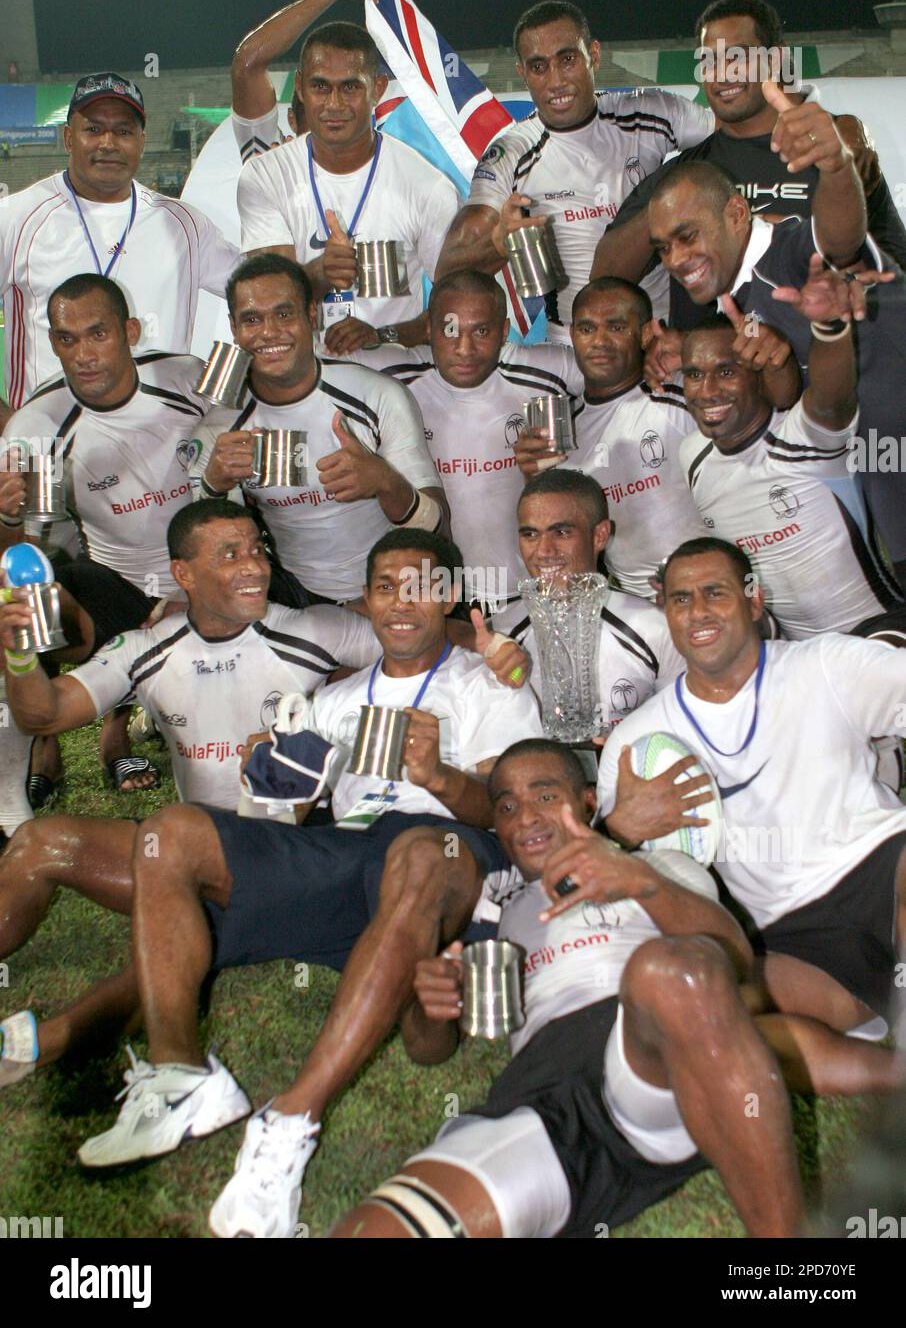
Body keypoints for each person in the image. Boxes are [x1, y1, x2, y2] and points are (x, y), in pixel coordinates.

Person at [68, 530, 541, 1234]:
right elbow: (289, 818)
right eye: (386, 586)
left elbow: (514, 823)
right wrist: (271, 779)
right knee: (173, 831)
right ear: (367, 599)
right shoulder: (334, 699)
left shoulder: (491, 689)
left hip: (448, 856)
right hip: (347, 856)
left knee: (416, 849)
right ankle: (180, 1076)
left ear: (447, 595)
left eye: (420, 586)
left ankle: (289, 1123)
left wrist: (439, 777)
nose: (401, 603)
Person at [0, 502, 527, 1090]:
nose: (254, 565)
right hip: (237, 843)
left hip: (346, 849)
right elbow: (39, 712)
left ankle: (52, 1043)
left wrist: (501, 655)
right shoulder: (153, 650)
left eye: (257, 549)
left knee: (206, 919)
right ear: (183, 573)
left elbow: (426, 632)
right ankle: (86, 1049)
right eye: (231, 554)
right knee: (62, 848)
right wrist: (21, 653)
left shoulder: (318, 635)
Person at [329, 739, 806, 1239]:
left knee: (668, 970)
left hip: (652, 1068)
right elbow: (428, 1051)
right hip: (546, 1104)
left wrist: (641, 882)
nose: (526, 817)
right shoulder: (497, 907)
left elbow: (731, 961)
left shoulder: (664, 870)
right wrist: (430, 1007)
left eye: (545, 795)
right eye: (507, 807)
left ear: (588, 803)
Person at [597, 538, 906, 1048]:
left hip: (882, 865)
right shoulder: (635, 743)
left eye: (715, 592)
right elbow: (600, 883)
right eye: (680, 599)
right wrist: (618, 831)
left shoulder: (823, 666)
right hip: (784, 930)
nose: (698, 611)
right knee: (709, 1023)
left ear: (753, 601)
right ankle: (889, 1081)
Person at [0, 273, 221, 792]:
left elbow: (251, 440)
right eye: (66, 339)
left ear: (130, 330)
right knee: (29, 600)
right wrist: (8, 519)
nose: (82, 354)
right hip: (119, 589)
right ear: (51, 342)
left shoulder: (188, 378)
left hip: (211, 578)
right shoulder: (34, 427)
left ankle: (132, 722)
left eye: (97, 334)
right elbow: (20, 560)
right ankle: (44, 750)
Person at [646, 160, 906, 586]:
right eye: (663, 248)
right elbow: (792, 399)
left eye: (686, 237)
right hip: (881, 531)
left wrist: (837, 163)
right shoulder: (735, 303)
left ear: (735, 213)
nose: (674, 259)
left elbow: (840, 237)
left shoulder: (795, 250)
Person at [593, 0, 906, 331]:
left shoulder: (835, 150)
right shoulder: (686, 173)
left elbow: (894, 274)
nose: (721, 74)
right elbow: (604, 281)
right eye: (709, 61)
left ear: (777, 60)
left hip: (820, 371)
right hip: (713, 378)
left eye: (737, 58)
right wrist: (669, 208)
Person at [435, 0, 715, 337]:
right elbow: (448, 271)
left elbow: (741, 139)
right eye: (539, 67)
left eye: (567, 60)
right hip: (572, 349)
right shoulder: (512, 151)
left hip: (660, 338)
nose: (556, 81)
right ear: (522, 72)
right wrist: (497, 242)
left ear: (593, 55)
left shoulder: (652, 113)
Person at [195, 254, 447, 605]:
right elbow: (214, 560)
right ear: (234, 329)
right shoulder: (219, 430)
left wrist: (385, 481)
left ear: (311, 316)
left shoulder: (376, 395)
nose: (268, 332)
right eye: (252, 319)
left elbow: (437, 527)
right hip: (294, 601)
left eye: (284, 314)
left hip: (395, 592)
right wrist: (214, 486)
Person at [678, 259, 903, 639]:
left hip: (878, 632)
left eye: (727, 371)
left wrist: (830, 326)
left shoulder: (802, 435)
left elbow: (831, 398)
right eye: (694, 375)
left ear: (759, 374)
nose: (708, 390)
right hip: (795, 657)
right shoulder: (692, 457)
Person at [346, 268, 583, 605]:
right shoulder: (393, 375)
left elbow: (620, 381)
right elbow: (305, 364)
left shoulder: (546, 370)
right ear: (428, 329)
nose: (464, 348)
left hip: (526, 589)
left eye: (481, 331)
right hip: (433, 595)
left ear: (503, 332)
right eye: (450, 330)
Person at [0, 73, 238, 408]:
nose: (108, 143)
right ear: (69, 137)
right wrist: (10, 425)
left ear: (142, 140)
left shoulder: (183, 225)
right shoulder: (15, 218)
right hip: (52, 444)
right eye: (94, 129)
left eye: (123, 131)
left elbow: (259, 294)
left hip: (162, 443)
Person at [236, 22, 459, 355]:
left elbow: (455, 307)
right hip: (303, 383)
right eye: (320, 87)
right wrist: (319, 272)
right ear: (299, 87)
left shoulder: (427, 185)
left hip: (396, 380)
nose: (334, 104)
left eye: (351, 87)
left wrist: (384, 337)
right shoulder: (265, 175)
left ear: (378, 89)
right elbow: (265, 297)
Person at [514, 276, 709, 599]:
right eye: (587, 329)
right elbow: (559, 534)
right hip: (631, 605)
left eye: (616, 327)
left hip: (705, 589)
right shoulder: (562, 430)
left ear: (646, 333)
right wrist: (532, 479)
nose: (599, 341)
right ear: (572, 334)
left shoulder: (679, 394)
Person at [496, 469, 685, 739]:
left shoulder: (653, 627)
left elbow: (688, 725)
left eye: (561, 532)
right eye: (530, 535)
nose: (544, 551)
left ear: (599, 535)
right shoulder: (500, 634)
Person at [231, 0, 391, 160]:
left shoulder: (388, 168)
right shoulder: (274, 164)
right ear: (293, 121)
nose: (334, 107)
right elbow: (248, 62)